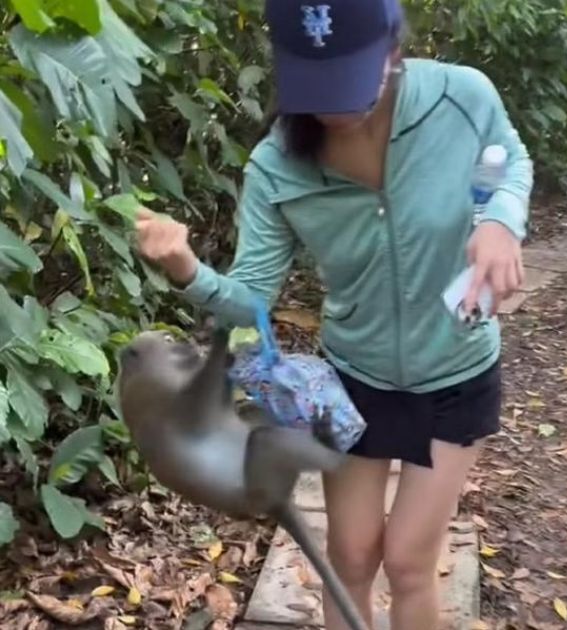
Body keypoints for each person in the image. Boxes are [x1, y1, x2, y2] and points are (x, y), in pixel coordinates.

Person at [133, 0, 532, 627]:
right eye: (315, 86)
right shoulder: (277, 166)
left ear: (392, 50)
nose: (335, 108)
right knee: (349, 555)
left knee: (409, 561)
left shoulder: (459, 97)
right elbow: (252, 299)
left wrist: (502, 223)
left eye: (351, 79)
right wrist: (187, 269)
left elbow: (511, 158)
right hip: (356, 379)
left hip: (457, 372)